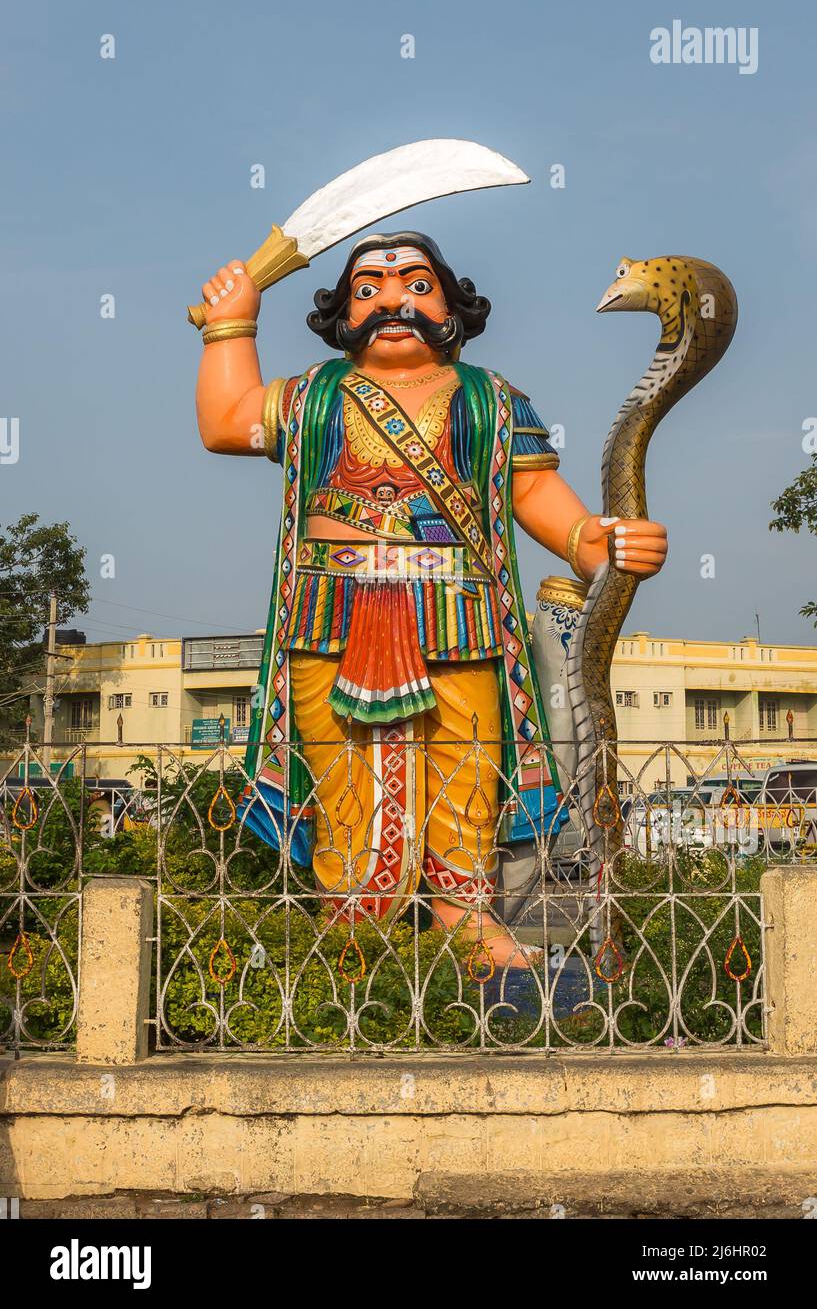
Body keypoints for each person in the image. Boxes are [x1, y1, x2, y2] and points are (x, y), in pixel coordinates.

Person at [195, 232, 667, 965]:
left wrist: (598, 544)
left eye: (415, 285)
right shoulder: (311, 395)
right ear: (339, 313)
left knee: (468, 763)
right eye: (366, 289)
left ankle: (463, 916)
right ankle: (352, 917)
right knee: (341, 772)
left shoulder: (491, 401)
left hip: (459, 613)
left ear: (452, 306)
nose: (390, 300)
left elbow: (537, 494)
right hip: (333, 613)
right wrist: (232, 323)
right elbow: (227, 423)